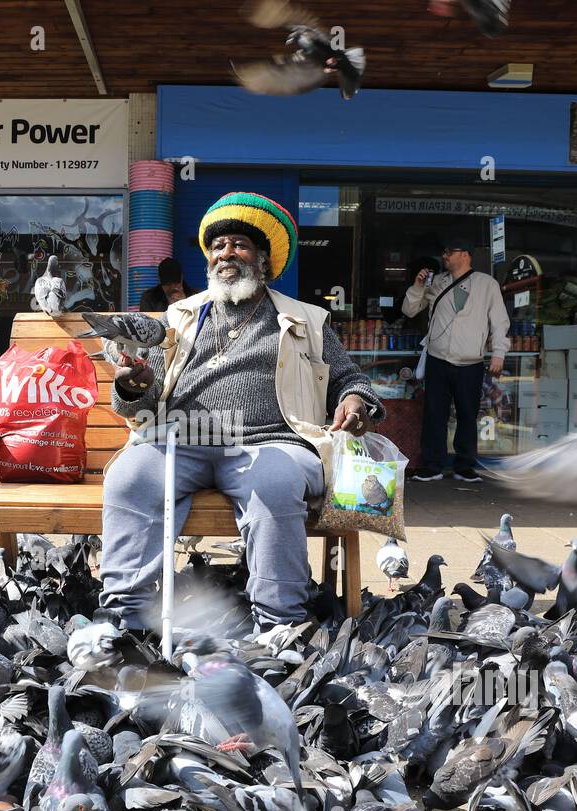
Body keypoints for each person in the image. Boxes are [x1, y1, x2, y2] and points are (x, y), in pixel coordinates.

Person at [99, 192, 385, 634]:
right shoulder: (179, 316)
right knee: (129, 475)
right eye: (217, 246)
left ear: (264, 260)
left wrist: (356, 402)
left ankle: (279, 626)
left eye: (238, 244)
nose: (225, 254)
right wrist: (131, 384)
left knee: (275, 481)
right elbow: (141, 398)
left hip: (272, 442)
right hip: (182, 438)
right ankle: (126, 618)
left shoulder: (307, 319)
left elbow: (351, 379)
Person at [402, 238, 509, 483]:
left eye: (450, 251)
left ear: (466, 255)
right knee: (434, 415)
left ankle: (464, 466)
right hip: (439, 358)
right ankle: (433, 465)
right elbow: (409, 310)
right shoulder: (436, 282)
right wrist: (418, 286)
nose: (445, 256)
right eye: (444, 251)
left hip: (471, 361)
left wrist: (499, 353)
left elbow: (499, 321)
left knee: (467, 415)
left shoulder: (486, 284)